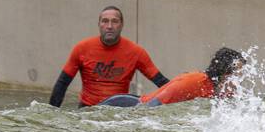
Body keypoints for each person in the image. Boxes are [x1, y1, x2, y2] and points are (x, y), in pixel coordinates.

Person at [49, 7, 169, 108]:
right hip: (87, 111)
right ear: (99, 25)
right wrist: (51, 114)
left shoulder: (136, 52)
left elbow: (161, 82)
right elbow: (62, 83)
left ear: (121, 25)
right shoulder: (82, 49)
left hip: (118, 113)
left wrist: (184, 91)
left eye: (115, 21)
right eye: (105, 21)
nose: (109, 26)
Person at [99, 47, 246, 108]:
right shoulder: (194, 82)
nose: (240, 80)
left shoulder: (223, 91)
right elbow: (150, 108)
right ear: (225, 74)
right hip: (127, 105)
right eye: (237, 75)